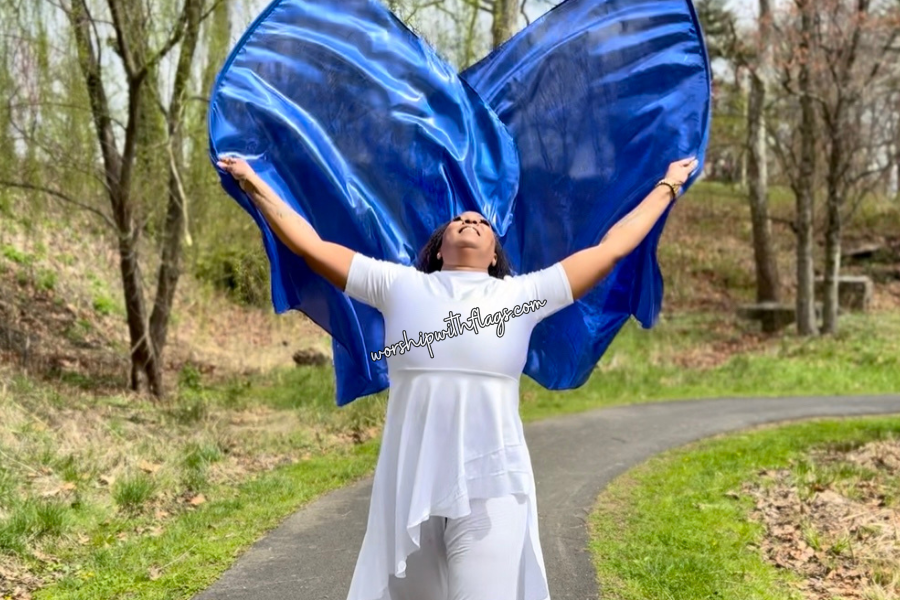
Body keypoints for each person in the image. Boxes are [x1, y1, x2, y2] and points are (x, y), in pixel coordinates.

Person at [217, 155, 698, 600]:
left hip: (492, 484)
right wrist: (253, 182)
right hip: (411, 482)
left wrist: (669, 185)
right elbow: (311, 246)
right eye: (459, 221)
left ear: (494, 256)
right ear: (438, 248)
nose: (470, 221)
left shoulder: (523, 295)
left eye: (482, 223)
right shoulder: (398, 286)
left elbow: (612, 249)